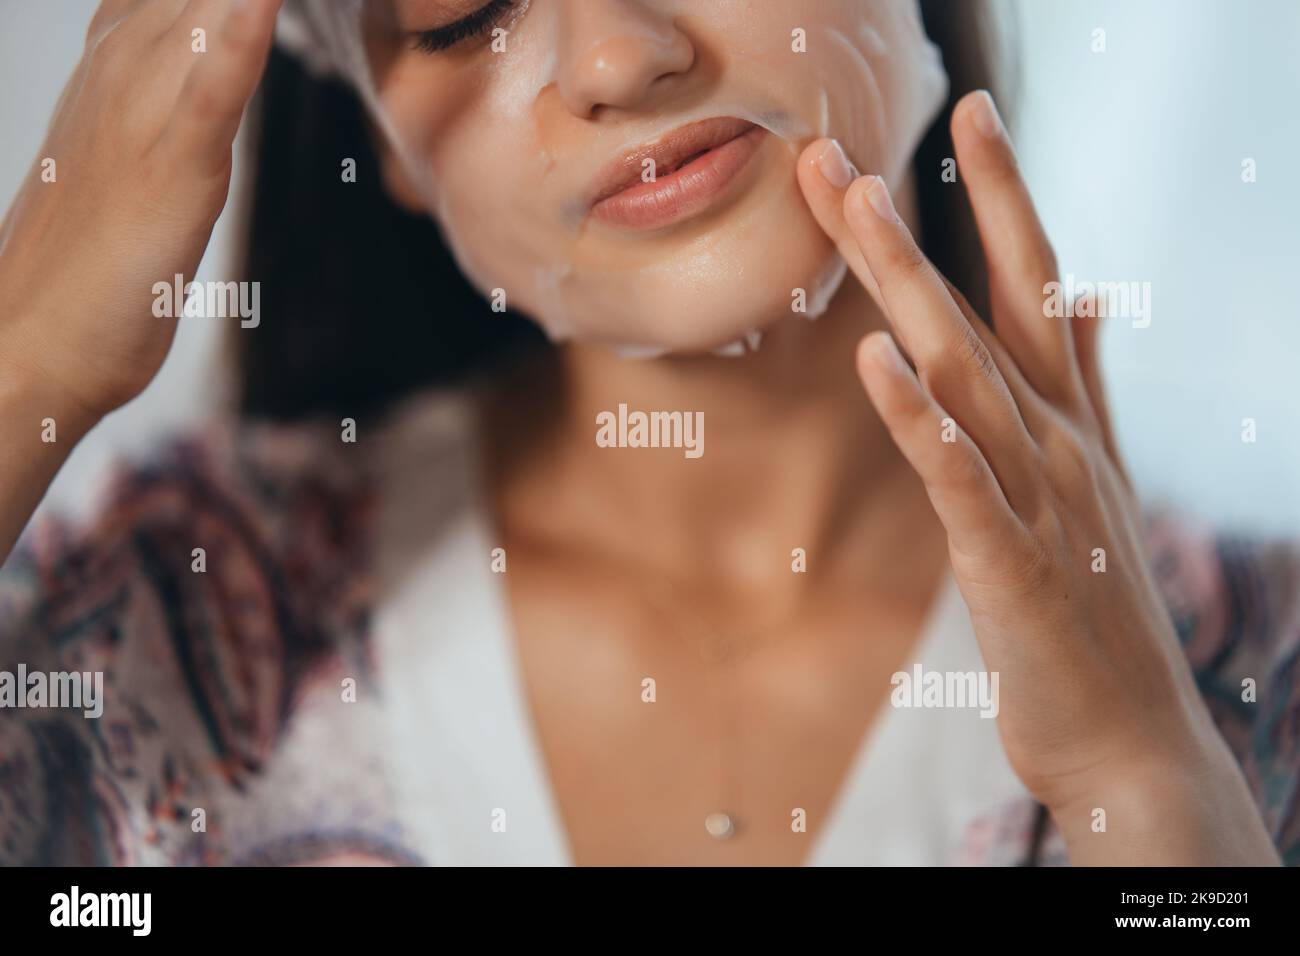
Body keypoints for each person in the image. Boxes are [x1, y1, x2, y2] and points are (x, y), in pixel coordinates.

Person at [0, 0, 1294, 866]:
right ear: (382, 138)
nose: (620, 57)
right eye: (464, 2)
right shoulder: (165, 603)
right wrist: (24, 361)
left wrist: (1156, 783)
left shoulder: (1265, 660)